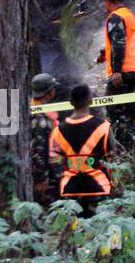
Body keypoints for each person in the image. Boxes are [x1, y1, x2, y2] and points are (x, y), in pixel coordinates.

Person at [49, 84, 114, 217]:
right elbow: (113, 157)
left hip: (70, 191)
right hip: (98, 188)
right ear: (90, 100)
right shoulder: (103, 127)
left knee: (74, 234)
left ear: (71, 102)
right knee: (99, 233)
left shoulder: (57, 131)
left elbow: (53, 161)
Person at [97, 0, 135, 147]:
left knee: (116, 115)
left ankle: (122, 156)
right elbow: (126, 42)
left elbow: (119, 43)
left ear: (108, 2)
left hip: (123, 74)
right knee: (129, 116)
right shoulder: (129, 16)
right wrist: (106, 54)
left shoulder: (115, 17)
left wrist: (117, 71)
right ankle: (131, 155)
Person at [29, 73, 62, 205]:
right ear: (48, 92)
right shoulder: (41, 118)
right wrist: (41, 178)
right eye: (53, 88)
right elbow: (38, 150)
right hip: (48, 172)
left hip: (48, 168)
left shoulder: (34, 107)